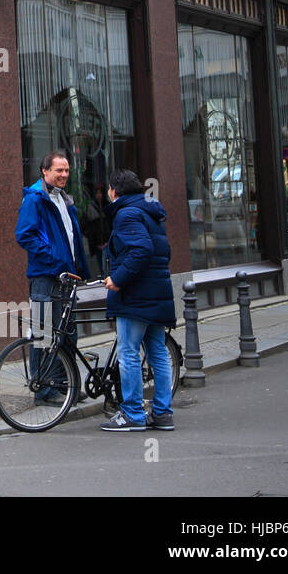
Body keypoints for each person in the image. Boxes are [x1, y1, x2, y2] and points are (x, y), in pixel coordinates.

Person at [101, 169, 176, 431]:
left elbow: (141, 249)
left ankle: (132, 413)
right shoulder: (149, 211)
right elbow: (162, 251)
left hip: (135, 295)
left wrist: (118, 279)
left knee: (129, 352)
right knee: (157, 351)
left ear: (114, 191)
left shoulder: (126, 214)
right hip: (156, 291)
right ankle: (163, 413)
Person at [14, 151, 91, 404]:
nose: (64, 175)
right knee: (44, 334)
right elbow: (25, 235)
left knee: (66, 334)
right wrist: (54, 260)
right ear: (45, 171)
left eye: (66, 170)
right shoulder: (35, 198)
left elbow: (71, 237)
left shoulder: (64, 199)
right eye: (59, 170)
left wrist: (78, 268)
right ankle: (45, 390)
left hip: (66, 278)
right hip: (46, 277)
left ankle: (65, 386)